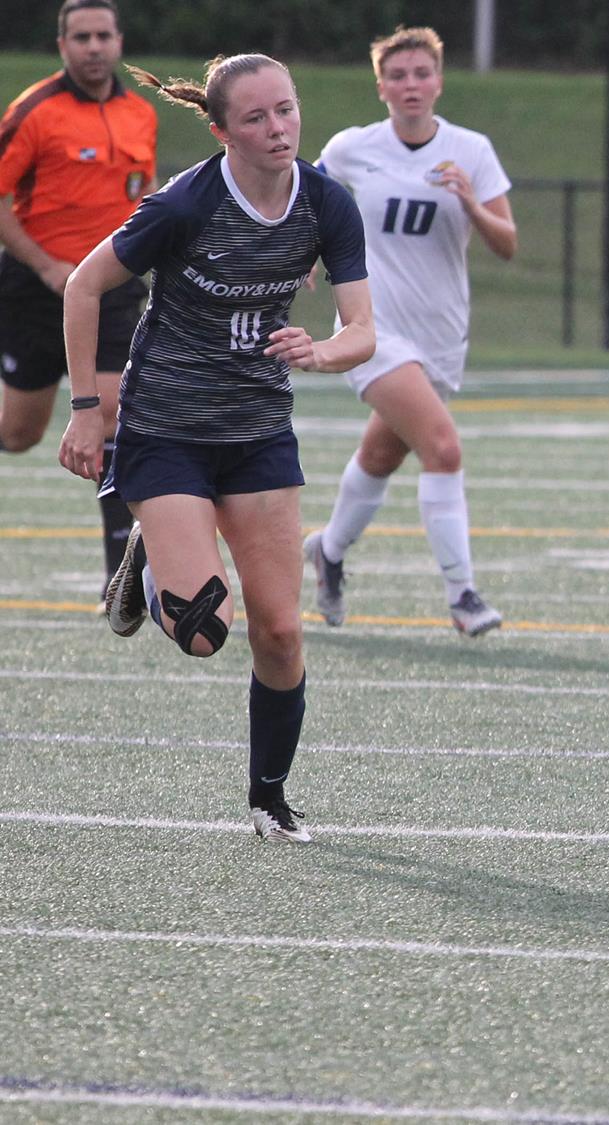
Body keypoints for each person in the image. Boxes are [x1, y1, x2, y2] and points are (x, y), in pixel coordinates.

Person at [55, 53, 374, 844]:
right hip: (165, 430)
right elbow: (83, 286)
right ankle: (159, 567)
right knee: (204, 630)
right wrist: (89, 411)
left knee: (282, 630)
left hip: (258, 433)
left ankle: (269, 797)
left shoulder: (326, 203)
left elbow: (362, 332)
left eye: (288, 111)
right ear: (223, 128)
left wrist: (321, 351)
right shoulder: (185, 204)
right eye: (258, 117)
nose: (278, 129)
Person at [304, 25, 516, 638]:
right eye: (398, 76)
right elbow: (304, 199)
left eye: (421, 74)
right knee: (443, 448)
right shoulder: (353, 148)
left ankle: (329, 552)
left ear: (439, 82)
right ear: (381, 88)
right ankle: (463, 594)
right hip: (370, 326)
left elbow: (507, 244)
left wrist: (473, 203)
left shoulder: (471, 150)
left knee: (380, 453)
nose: (411, 85)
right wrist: (306, 254)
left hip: (441, 333)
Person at [0, 0, 155, 605]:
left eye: (104, 35)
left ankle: (123, 579)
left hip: (112, 292)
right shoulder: (34, 111)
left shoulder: (141, 113)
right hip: (36, 292)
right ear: (63, 45)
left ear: (119, 42)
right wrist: (46, 266)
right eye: (82, 36)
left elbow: (140, 202)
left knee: (113, 410)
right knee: (18, 435)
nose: (94, 46)